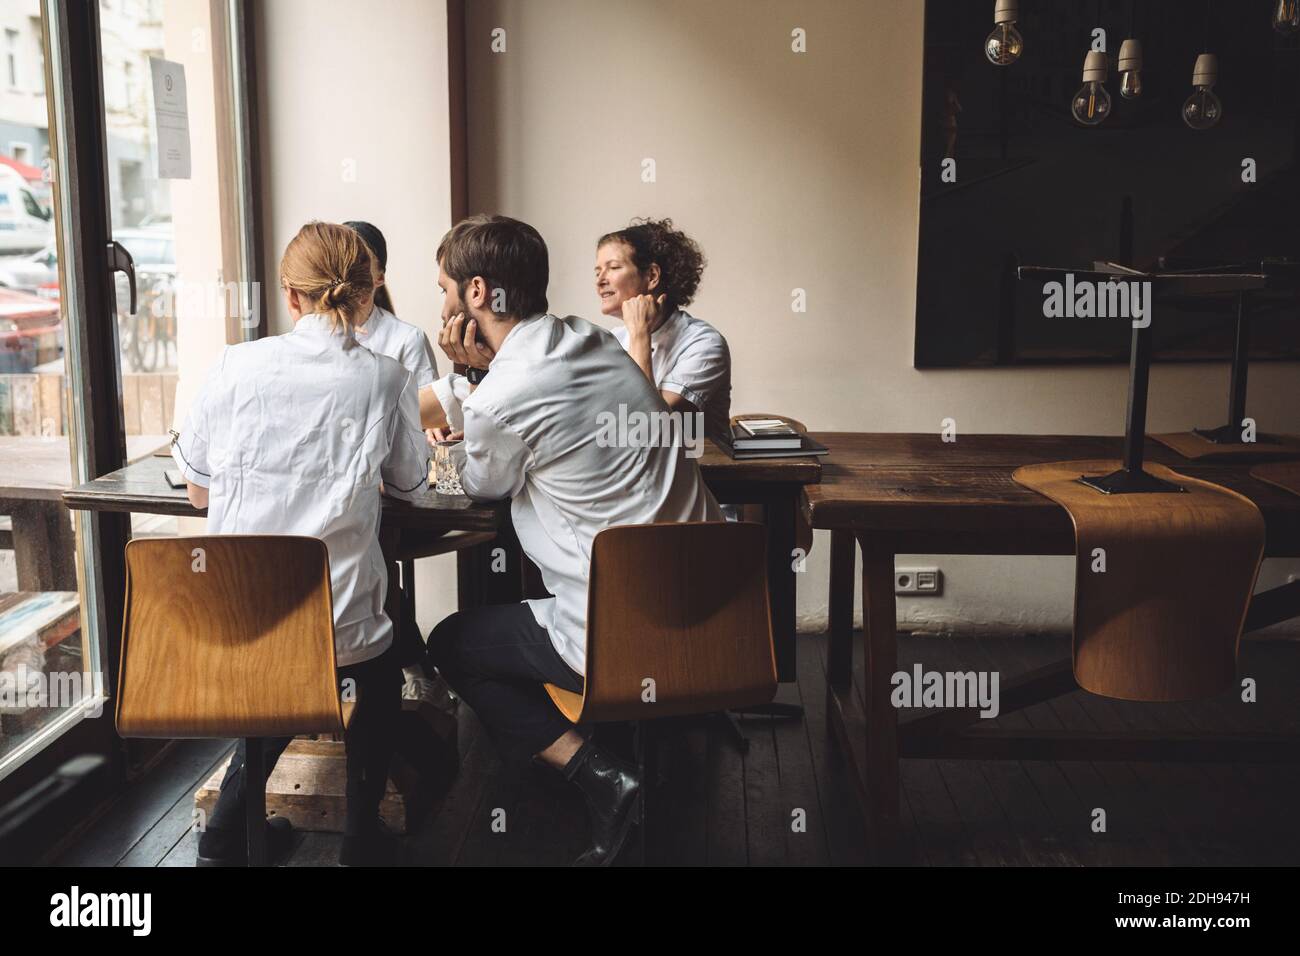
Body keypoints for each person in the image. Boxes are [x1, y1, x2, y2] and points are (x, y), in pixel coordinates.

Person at [424, 215, 721, 866]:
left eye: (445, 288)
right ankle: (630, 761)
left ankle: (601, 777)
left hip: (626, 629)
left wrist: (468, 392)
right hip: (719, 613)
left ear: (477, 294)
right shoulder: (597, 340)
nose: (442, 304)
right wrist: (486, 378)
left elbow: (482, 485)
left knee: (452, 643)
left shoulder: (501, 395)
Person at [171, 221, 430, 867]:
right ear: (369, 293)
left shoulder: (234, 363)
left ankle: (226, 837)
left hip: (239, 618)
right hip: (339, 622)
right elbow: (411, 480)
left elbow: (197, 493)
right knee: (381, 655)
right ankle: (360, 836)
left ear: (290, 294)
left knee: (285, 665)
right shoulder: (387, 376)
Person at [595, 218, 732, 446]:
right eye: (597, 271)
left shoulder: (704, 343)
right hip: (637, 473)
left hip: (699, 473)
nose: (600, 281)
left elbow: (646, 423)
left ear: (652, 276)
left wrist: (640, 332)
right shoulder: (614, 340)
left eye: (614, 267)